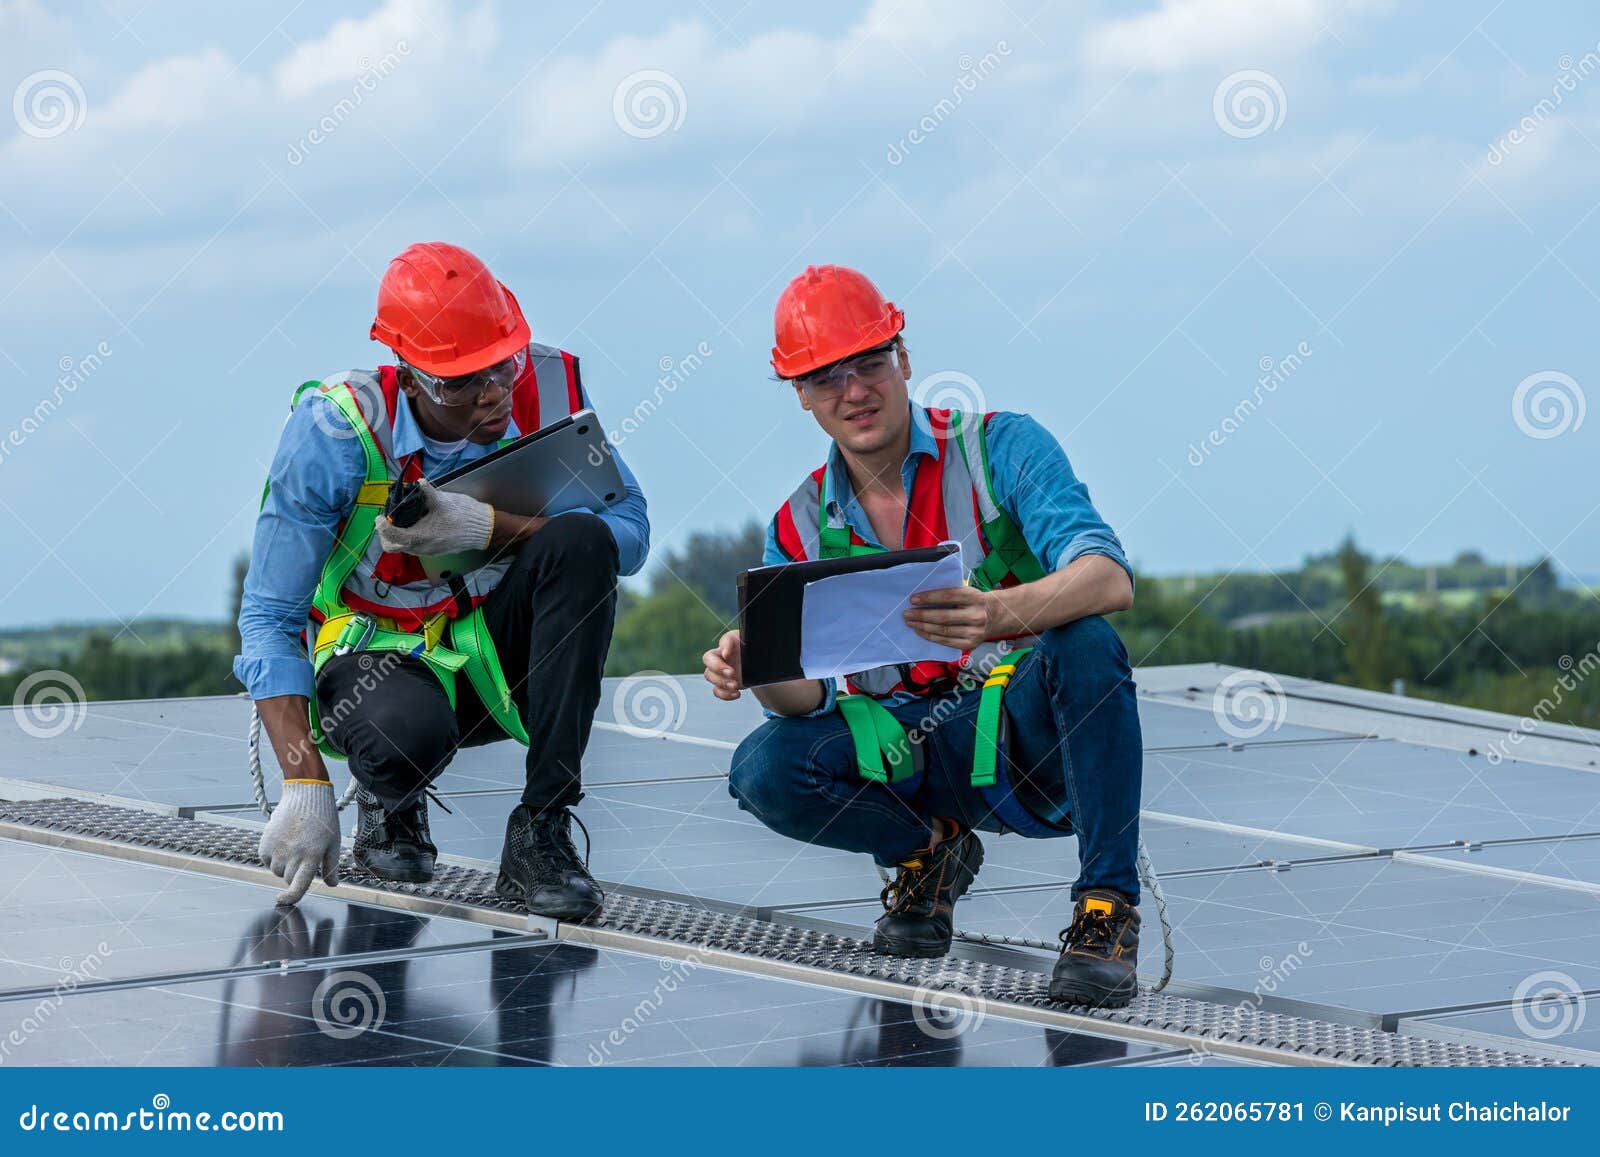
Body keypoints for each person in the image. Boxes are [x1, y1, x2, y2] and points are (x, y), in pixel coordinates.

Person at [703, 265, 1144, 1007]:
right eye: (824, 378)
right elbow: (800, 700)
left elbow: (1108, 576)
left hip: (1024, 733)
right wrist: (756, 661)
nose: (855, 391)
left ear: (904, 359)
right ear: (802, 396)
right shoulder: (799, 523)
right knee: (763, 769)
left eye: (871, 363)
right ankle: (930, 853)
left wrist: (1000, 615)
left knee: (1085, 640)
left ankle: (1106, 910)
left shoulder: (1003, 448)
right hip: (906, 753)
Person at [236, 242, 648, 922]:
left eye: (500, 365)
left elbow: (629, 533)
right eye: (460, 382)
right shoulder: (338, 431)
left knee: (581, 541)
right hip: (377, 660)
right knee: (402, 735)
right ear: (409, 371)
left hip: (496, 652)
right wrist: (304, 781)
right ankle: (388, 795)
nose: (491, 394)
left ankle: (541, 828)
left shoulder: (547, 390)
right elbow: (268, 618)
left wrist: (486, 528)